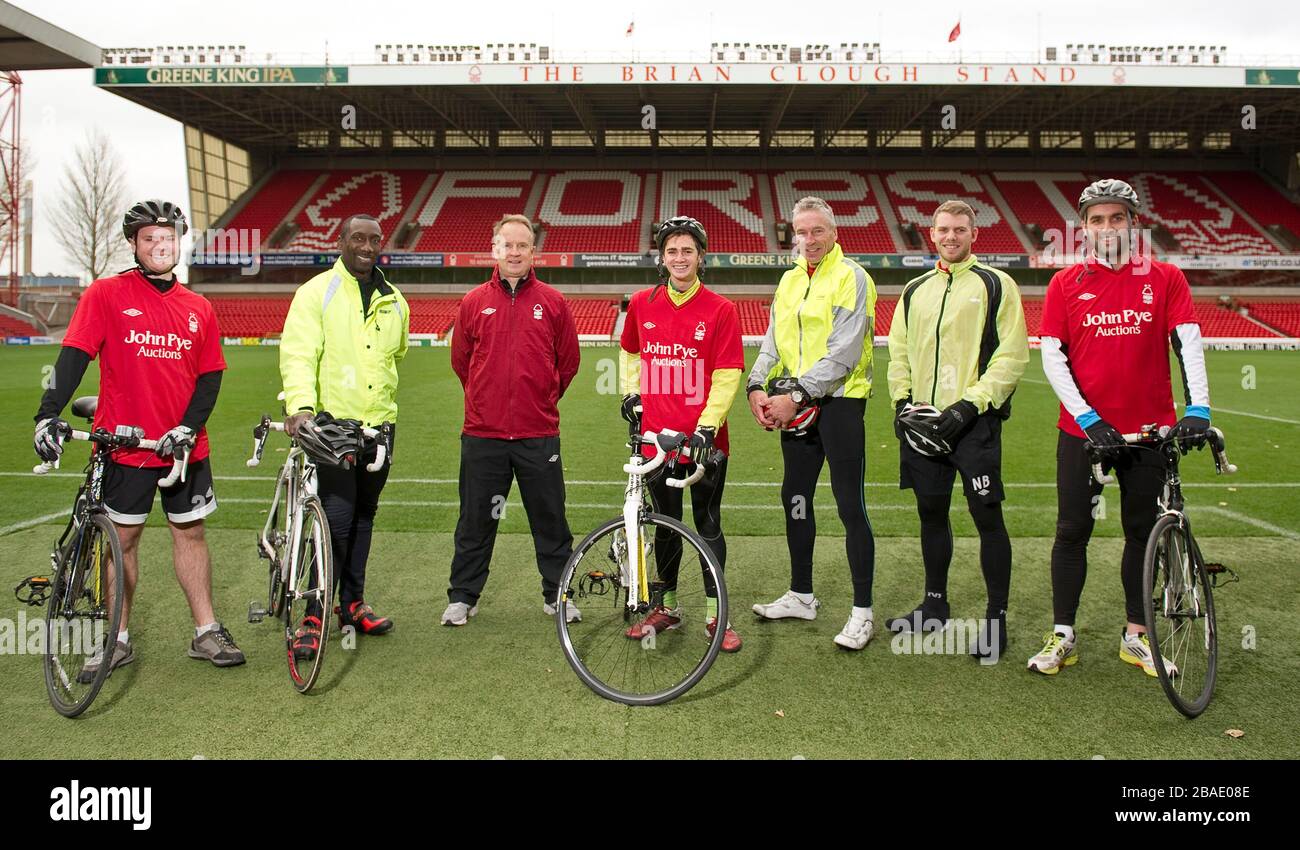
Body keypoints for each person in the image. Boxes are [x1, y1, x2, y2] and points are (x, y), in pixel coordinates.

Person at [33, 199, 243, 679]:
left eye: (167, 237)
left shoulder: (199, 308)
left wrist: (187, 428)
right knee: (121, 540)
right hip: (126, 446)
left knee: (190, 533)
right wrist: (47, 414)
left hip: (184, 449)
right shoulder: (106, 295)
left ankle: (206, 631)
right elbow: (73, 358)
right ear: (134, 244)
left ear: (179, 243)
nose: (159, 245)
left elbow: (209, 378)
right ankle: (117, 638)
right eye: (149, 238)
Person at [1029, 178, 1212, 677]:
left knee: (1141, 531)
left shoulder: (1167, 276)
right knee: (1072, 530)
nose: (1107, 227)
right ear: (1084, 228)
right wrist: (1088, 420)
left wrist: (1200, 409)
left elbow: (1188, 344)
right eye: (1096, 219)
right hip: (1084, 433)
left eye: (1117, 218)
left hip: (1150, 431)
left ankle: (1137, 633)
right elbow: (1052, 358)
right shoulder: (1065, 283)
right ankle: (1063, 633)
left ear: (1134, 223)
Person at [886, 200, 1029, 661]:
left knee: (987, 518)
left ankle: (996, 622)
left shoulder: (996, 284)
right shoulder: (914, 290)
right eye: (944, 229)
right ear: (932, 234)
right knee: (931, 514)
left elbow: (1012, 357)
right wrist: (902, 403)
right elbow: (899, 352)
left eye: (960, 230)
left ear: (974, 235)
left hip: (973, 425)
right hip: (924, 425)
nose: (951, 237)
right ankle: (934, 606)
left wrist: (970, 405)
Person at [747, 196, 880, 650]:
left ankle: (863, 611)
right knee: (796, 498)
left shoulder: (852, 276)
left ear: (833, 232)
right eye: (801, 232)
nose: (809, 240)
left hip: (839, 405)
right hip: (794, 405)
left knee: (849, 506)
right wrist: (757, 387)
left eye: (817, 231)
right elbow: (773, 341)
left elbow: (844, 352)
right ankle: (802, 594)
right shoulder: (787, 280)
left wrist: (796, 394)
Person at [442, 214, 581, 626]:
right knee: (475, 520)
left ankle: (557, 594)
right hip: (483, 436)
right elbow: (462, 362)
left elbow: (568, 364)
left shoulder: (553, 303)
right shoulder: (472, 302)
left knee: (550, 518)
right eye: (508, 245)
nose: (515, 252)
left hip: (538, 434)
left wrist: (538, 399)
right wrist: (487, 401)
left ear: (533, 252)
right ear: (495, 250)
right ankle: (463, 596)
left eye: (523, 245)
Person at [280, 213, 409, 656]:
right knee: (334, 522)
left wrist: (383, 424)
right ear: (342, 240)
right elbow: (298, 353)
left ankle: (351, 603)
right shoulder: (317, 292)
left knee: (364, 518)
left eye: (374, 239)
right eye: (358, 237)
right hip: (333, 429)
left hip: (379, 429)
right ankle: (313, 614)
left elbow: (395, 357)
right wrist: (299, 407)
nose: (367, 246)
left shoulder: (395, 299)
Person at [618, 216, 745, 652]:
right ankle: (668, 606)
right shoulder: (641, 303)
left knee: (708, 526)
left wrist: (707, 427)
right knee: (666, 526)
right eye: (671, 251)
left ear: (701, 257)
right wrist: (632, 395)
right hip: (656, 440)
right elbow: (631, 353)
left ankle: (717, 615)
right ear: (662, 257)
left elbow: (728, 375)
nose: (679, 258)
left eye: (687, 250)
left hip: (703, 443)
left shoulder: (721, 309)